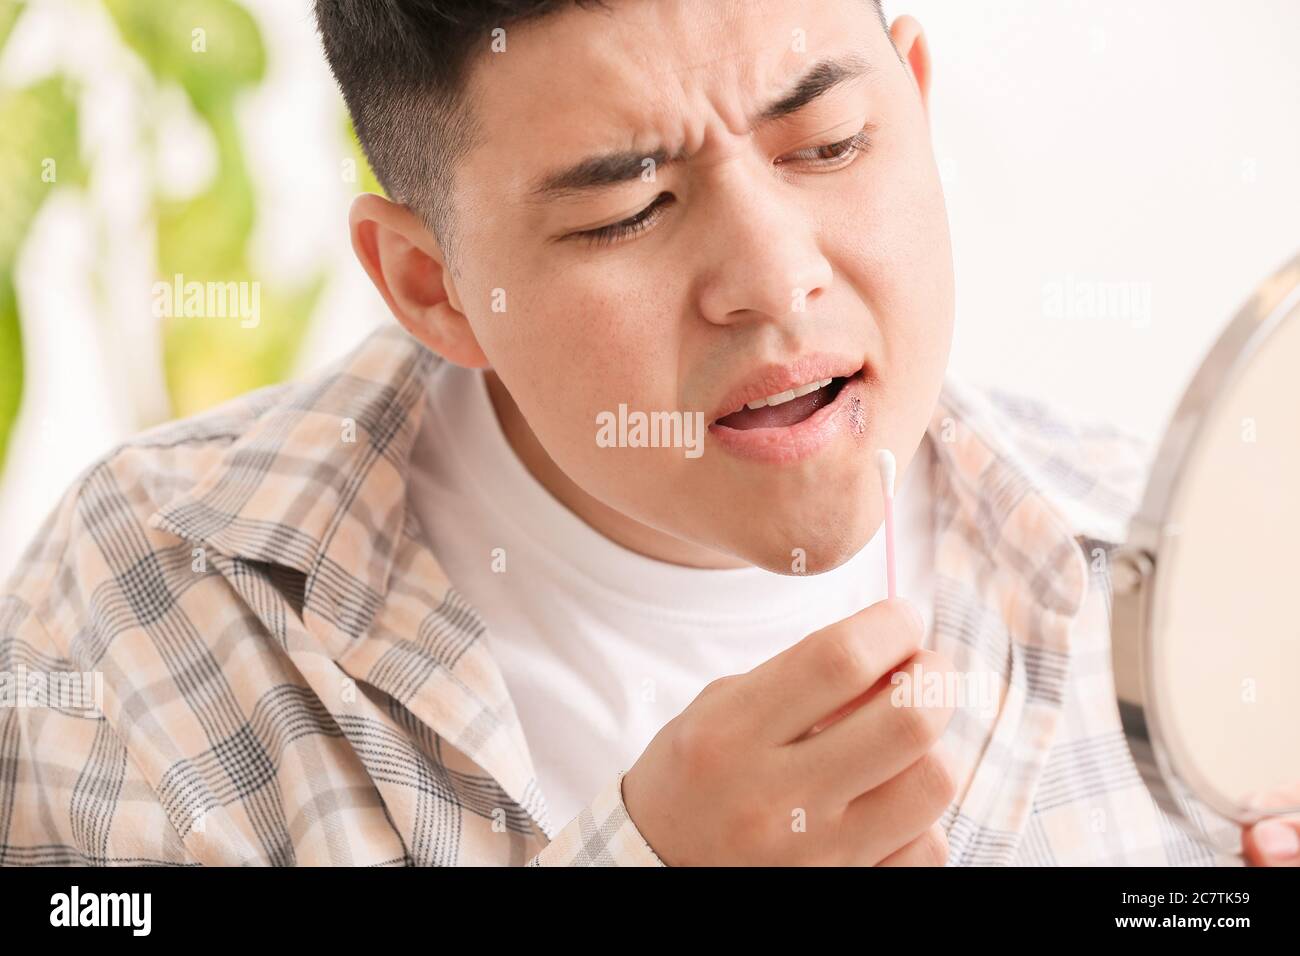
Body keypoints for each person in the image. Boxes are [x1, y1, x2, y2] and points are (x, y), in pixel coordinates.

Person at [1, 0, 1292, 866]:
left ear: (914, 99)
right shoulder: (157, 594)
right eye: (627, 213)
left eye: (832, 144)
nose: (774, 279)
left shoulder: (1156, 563)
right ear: (433, 288)